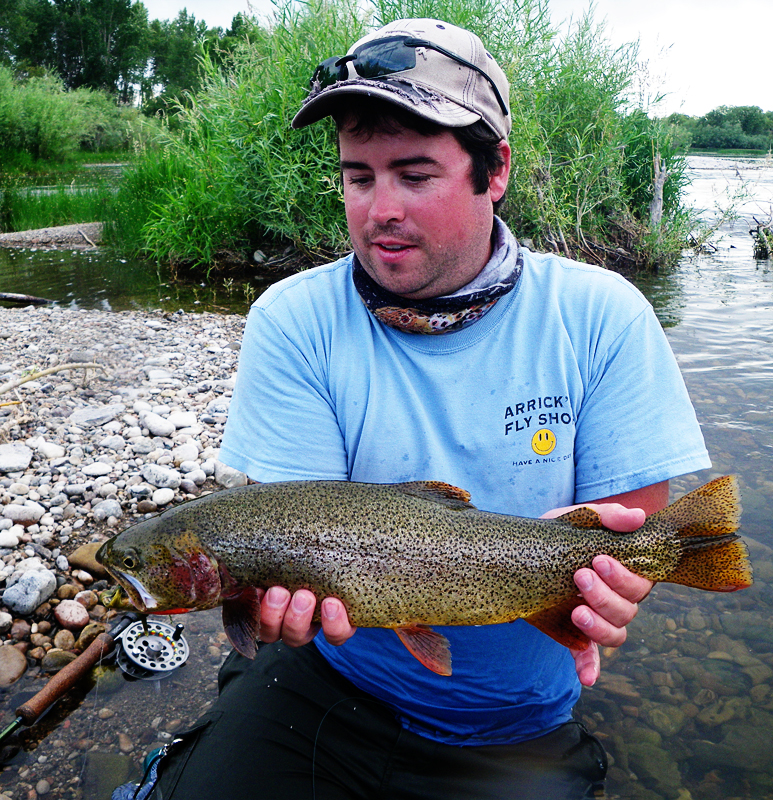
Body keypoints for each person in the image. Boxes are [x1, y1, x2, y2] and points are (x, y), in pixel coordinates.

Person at [142, 18, 711, 800]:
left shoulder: (599, 314)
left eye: (414, 175)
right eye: (357, 176)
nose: (379, 209)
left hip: (516, 722)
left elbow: (629, 521)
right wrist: (261, 608)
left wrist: (608, 580)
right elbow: (296, 524)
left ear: (494, 169)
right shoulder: (292, 318)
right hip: (325, 683)